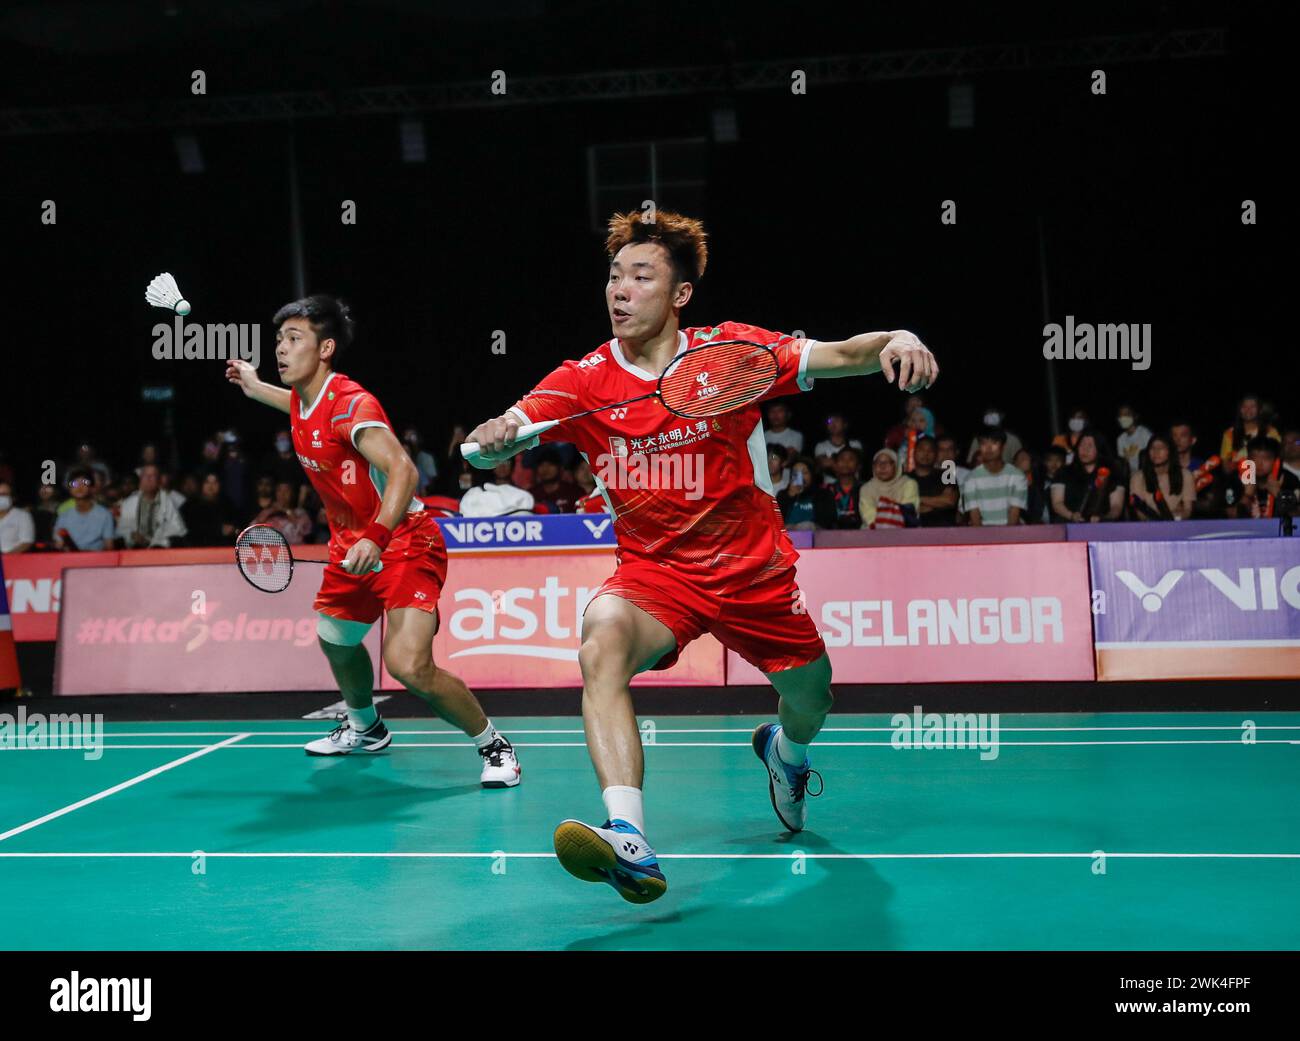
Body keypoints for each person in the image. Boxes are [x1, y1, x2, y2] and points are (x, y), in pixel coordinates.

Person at [464, 208, 937, 903]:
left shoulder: (729, 354)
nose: (619, 290)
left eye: (641, 276)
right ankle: (629, 835)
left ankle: (787, 753)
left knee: (813, 699)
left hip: (755, 571)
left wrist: (898, 336)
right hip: (657, 575)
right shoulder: (586, 379)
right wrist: (496, 437)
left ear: (681, 294)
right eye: (614, 276)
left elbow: (839, 354)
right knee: (601, 646)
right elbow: (498, 433)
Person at [226, 294, 520, 787]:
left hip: (402, 540)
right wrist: (255, 388)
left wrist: (378, 538)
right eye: (278, 339)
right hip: (351, 545)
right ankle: (366, 727)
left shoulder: (352, 406)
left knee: (407, 664)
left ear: (325, 349)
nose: (281, 348)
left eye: (294, 339)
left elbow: (402, 469)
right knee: (335, 639)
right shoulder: (303, 398)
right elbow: (293, 405)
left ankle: (493, 744)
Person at [1049, 430, 1124, 522]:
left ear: (1099, 449)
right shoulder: (1063, 472)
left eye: (1090, 446)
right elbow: (1057, 503)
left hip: (1103, 528)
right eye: (1082, 445)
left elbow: (1116, 507)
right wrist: (1071, 515)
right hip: (1069, 526)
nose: (1085, 450)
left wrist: (1104, 518)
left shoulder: (1114, 473)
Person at [960, 428, 1027, 526]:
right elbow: (974, 516)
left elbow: (1014, 514)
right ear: (979, 447)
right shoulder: (970, 478)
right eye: (984, 444)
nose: (989, 448)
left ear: (1003, 446)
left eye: (994, 443)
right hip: (982, 534)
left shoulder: (1017, 476)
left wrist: (1007, 538)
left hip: (1012, 532)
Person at [1226, 435, 1300, 519]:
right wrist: (1247, 495)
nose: (1259, 464)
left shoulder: (1289, 479)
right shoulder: (1235, 480)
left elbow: (1297, 517)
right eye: (1254, 458)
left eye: (1265, 458)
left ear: (1276, 461)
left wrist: (1279, 494)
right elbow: (1229, 517)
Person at [116, 463, 188, 548]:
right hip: (135, 550)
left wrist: (158, 538)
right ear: (141, 479)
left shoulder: (168, 502)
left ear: (159, 480)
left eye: (153, 476)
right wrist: (131, 535)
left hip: (160, 550)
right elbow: (120, 530)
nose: (149, 479)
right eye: (145, 476)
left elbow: (179, 530)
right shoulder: (129, 503)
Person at [1129, 432, 1195, 520]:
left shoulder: (1186, 475)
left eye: (1161, 448)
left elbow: (1187, 510)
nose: (1156, 452)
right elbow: (1140, 514)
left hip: (1176, 525)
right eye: (1152, 448)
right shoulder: (1138, 477)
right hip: (1148, 527)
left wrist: (1173, 518)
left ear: (1170, 451)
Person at [54, 467, 116, 551]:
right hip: (70, 561)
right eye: (74, 484)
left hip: (97, 561)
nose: (79, 487)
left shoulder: (105, 514)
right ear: (69, 489)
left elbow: (109, 547)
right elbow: (59, 545)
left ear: (92, 488)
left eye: (84, 483)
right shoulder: (63, 517)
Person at [859, 447, 919, 528]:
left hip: (904, 530)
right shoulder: (866, 488)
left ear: (896, 465)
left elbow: (907, 511)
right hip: (873, 532)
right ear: (873, 466)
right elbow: (868, 516)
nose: (882, 467)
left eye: (888, 462)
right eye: (878, 463)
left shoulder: (909, 484)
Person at [912, 435, 958, 526]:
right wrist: (937, 501)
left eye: (930, 450)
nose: (926, 454)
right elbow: (902, 504)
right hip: (912, 532)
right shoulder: (905, 478)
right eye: (922, 450)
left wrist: (917, 499)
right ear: (914, 452)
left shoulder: (947, 474)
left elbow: (949, 500)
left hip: (944, 531)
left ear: (936, 455)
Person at [777, 457, 834, 529]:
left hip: (815, 536)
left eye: (804, 472)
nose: (799, 476)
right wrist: (789, 496)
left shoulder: (824, 495)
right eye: (795, 473)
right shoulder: (782, 495)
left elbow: (828, 522)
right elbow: (775, 521)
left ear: (812, 475)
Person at [182, 472, 238, 546]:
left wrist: (233, 530)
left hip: (223, 549)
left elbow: (235, 526)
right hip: (198, 549)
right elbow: (191, 530)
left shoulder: (228, 505)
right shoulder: (190, 506)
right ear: (201, 484)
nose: (211, 486)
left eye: (215, 482)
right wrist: (218, 530)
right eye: (207, 482)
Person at [1221, 394, 1280, 463]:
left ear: (1260, 410)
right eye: (1244, 406)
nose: (1248, 410)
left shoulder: (1270, 431)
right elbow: (1225, 461)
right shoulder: (1229, 433)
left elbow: (1277, 457)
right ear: (1239, 410)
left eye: (1252, 406)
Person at [253, 480, 314, 544]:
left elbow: (305, 530)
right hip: (268, 550)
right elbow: (252, 529)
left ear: (292, 494)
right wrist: (269, 512)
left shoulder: (300, 513)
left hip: (294, 550)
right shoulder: (267, 512)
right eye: (279, 490)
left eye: (286, 491)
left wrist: (286, 511)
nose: (282, 494)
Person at [812, 413, 863, 480]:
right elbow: (823, 464)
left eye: (837, 420)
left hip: (854, 487)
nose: (833, 424)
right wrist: (846, 464)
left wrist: (832, 462)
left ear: (845, 424)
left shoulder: (855, 444)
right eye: (830, 421)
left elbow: (857, 465)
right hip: (829, 487)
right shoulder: (821, 446)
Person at [529, 447, 580, 513]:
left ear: (560, 468)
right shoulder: (531, 494)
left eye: (550, 465)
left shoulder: (574, 492)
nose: (545, 469)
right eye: (541, 465)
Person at [828, 446, 866, 528]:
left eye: (851, 459)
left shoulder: (866, 488)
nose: (846, 462)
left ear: (859, 466)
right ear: (835, 465)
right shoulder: (827, 490)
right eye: (842, 459)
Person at [1115, 404, 1153, 474]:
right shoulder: (1120, 439)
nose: (1123, 417)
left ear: (1135, 416)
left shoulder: (1144, 433)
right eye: (1121, 415)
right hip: (1131, 476)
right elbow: (1123, 464)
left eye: (1126, 414)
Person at [0, 482, 35, 554]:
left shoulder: (23, 516)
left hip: (12, 559)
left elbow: (26, 542)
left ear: (12, 497)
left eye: (4, 494)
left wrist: (6, 557)